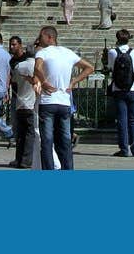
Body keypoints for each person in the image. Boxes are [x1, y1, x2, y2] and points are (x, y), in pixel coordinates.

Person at [33, 24, 92, 171]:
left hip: (48, 102)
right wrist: (74, 81)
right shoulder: (68, 53)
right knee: (65, 140)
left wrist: (44, 82)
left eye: (41, 37)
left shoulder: (43, 52)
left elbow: (37, 68)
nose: (39, 40)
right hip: (64, 102)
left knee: (47, 140)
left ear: (49, 37)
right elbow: (89, 67)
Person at [106, 30, 134, 158]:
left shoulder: (112, 52)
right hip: (133, 88)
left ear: (117, 39)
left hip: (118, 88)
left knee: (122, 120)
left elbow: (110, 67)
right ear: (129, 39)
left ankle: (124, 149)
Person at [8, 37, 39, 168]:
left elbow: (13, 82)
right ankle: (26, 161)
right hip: (31, 104)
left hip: (20, 103)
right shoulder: (38, 67)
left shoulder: (18, 66)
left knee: (20, 133)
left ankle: (18, 159)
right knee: (30, 133)